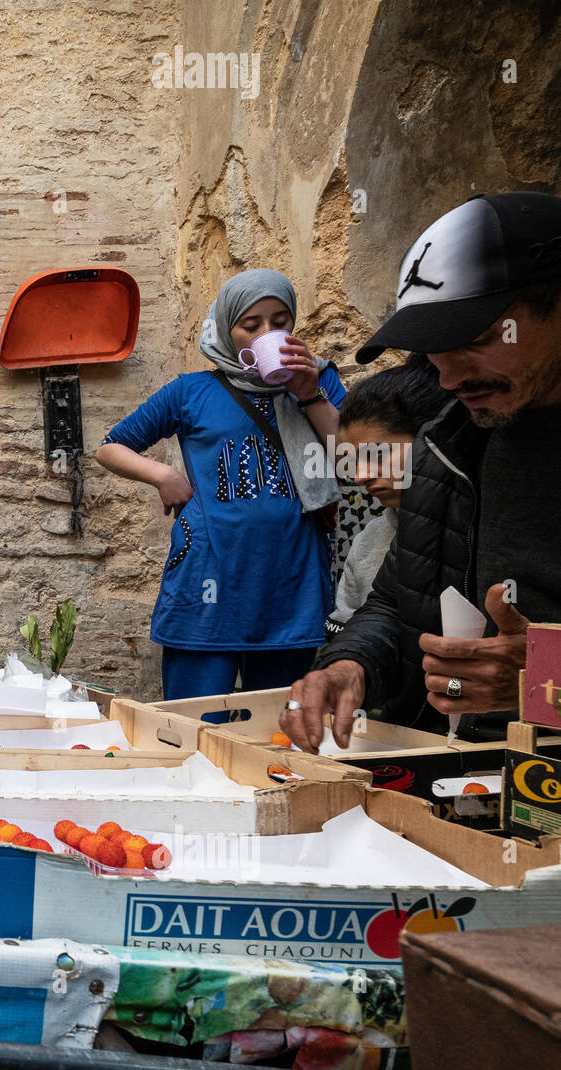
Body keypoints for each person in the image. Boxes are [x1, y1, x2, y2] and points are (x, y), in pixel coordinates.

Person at [282, 191, 561, 752]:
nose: (451, 377)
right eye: (431, 349)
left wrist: (547, 681)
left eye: (479, 338)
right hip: (478, 781)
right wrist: (351, 665)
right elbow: (397, 598)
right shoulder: (449, 448)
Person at [95, 268, 346, 703]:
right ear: (229, 330)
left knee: (279, 729)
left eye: (281, 321)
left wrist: (308, 394)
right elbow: (110, 447)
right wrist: (163, 475)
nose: (269, 332)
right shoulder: (191, 392)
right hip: (209, 575)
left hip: (291, 576)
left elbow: (352, 458)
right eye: (251, 325)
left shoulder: (319, 382)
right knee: (193, 722)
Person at [325, 363, 453, 639]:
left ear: (431, 440)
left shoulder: (479, 537)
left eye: (377, 455)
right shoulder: (369, 541)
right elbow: (348, 630)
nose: (360, 476)